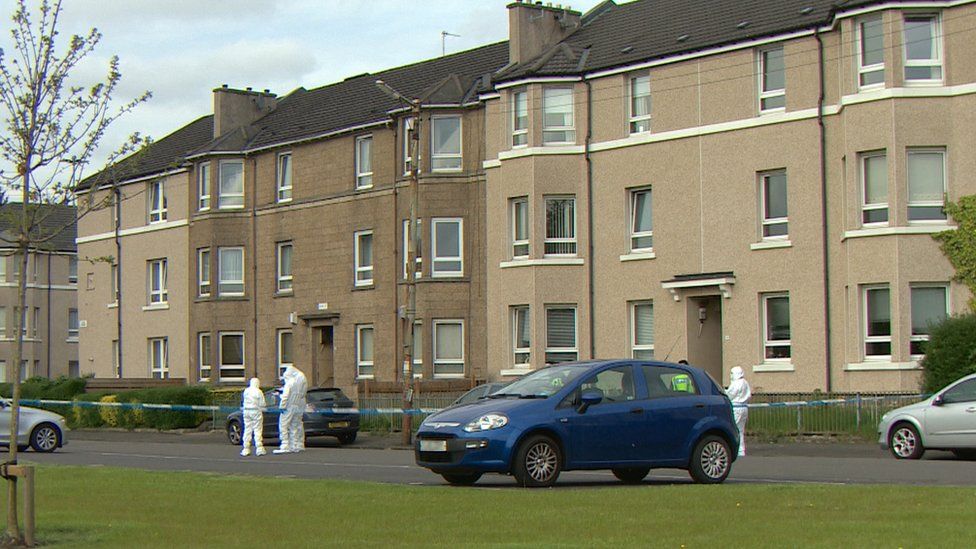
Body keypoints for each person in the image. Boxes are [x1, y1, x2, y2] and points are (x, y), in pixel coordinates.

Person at [725, 366, 752, 457]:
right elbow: (749, 395)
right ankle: (741, 450)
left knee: (733, 429)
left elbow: (730, 395)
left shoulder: (736, 384)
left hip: (736, 407)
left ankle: (735, 449)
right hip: (744, 407)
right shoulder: (745, 383)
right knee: (740, 430)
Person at [240, 377, 266, 457]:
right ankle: (259, 448)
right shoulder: (258, 391)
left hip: (246, 411)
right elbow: (262, 404)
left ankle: (246, 448)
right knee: (257, 429)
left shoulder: (246, 391)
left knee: (247, 429)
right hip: (255, 411)